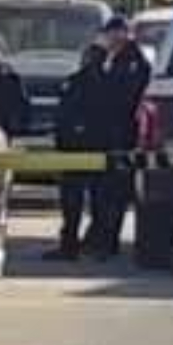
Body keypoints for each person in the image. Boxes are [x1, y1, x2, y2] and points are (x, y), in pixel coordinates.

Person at [82, 17, 152, 259]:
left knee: (113, 193)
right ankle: (98, 238)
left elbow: (119, 99)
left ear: (122, 34)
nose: (107, 40)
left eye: (111, 35)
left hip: (120, 137)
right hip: (109, 135)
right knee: (103, 192)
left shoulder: (132, 63)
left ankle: (106, 242)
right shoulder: (116, 60)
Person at [45, 43, 109, 261]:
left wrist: (62, 141)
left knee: (74, 200)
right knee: (98, 200)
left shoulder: (77, 82)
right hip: (99, 147)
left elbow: (64, 115)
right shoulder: (109, 83)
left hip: (76, 148)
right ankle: (94, 245)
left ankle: (73, 245)